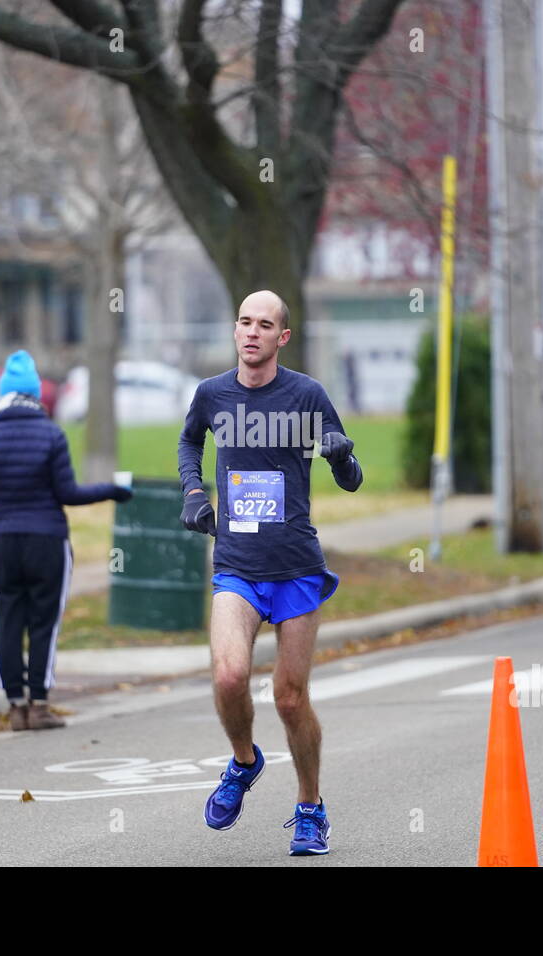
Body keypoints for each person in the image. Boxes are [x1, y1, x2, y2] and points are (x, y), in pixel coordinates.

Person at [177, 290, 363, 856]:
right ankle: (244, 761)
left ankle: (310, 807)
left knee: (289, 698)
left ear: (282, 337)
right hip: (236, 564)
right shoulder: (212, 394)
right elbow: (190, 440)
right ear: (235, 331)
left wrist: (338, 456)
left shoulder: (307, 394)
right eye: (243, 322)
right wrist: (193, 490)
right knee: (229, 677)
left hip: (296, 568)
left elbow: (351, 477)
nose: (251, 332)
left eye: (265, 325)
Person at [0, 350, 132, 730]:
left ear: (4, 394)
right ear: (35, 395)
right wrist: (112, 491)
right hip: (48, 543)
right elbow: (68, 493)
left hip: (3, 545)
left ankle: (15, 706)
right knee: (44, 623)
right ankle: (41, 704)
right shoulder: (51, 434)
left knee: (8, 622)